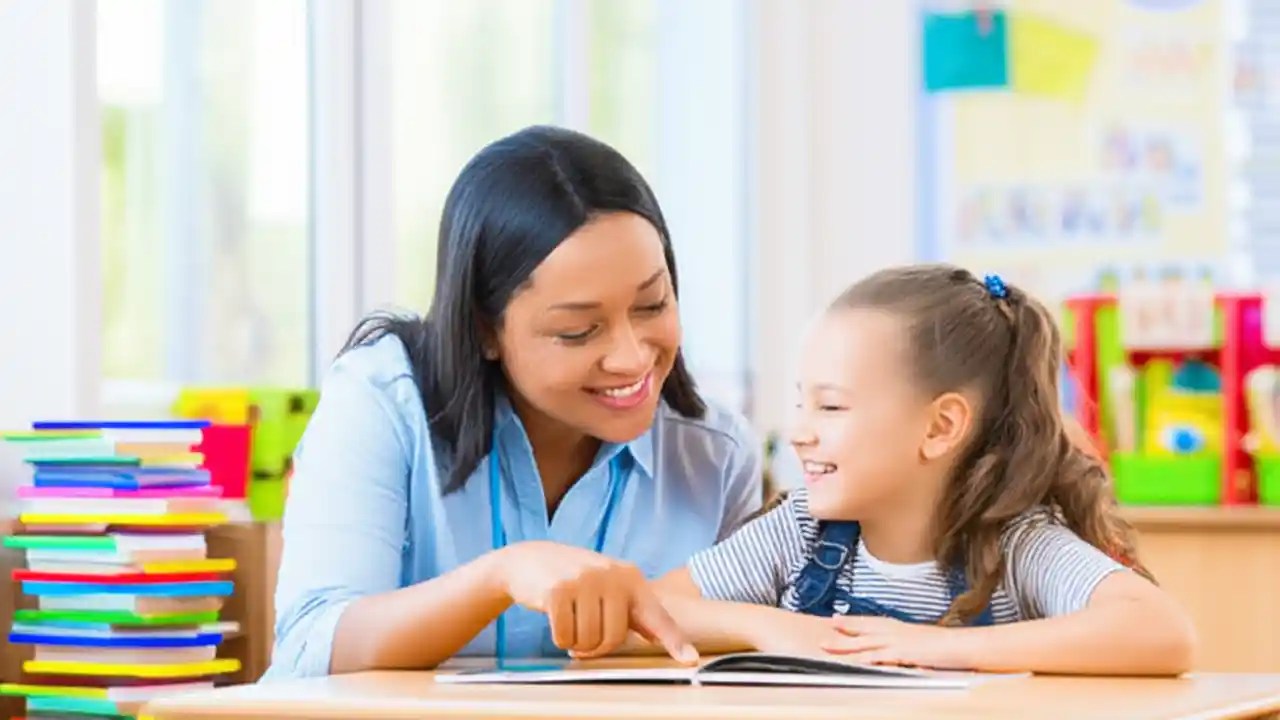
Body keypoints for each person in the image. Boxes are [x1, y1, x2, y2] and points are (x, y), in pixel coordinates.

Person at [265, 126, 762, 679]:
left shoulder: (715, 454)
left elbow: (731, 672)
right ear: (485, 329)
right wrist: (502, 575)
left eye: (652, 305)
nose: (631, 358)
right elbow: (308, 651)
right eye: (578, 330)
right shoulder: (382, 400)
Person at [652, 265, 1196, 676]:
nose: (799, 431)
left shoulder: (1015, 545)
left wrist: (935, 647)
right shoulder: (799, 533)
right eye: (802, 403)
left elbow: (1162, 631)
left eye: (832, 407)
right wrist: (767, 626)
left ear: (940, 428)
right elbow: (653, 610)